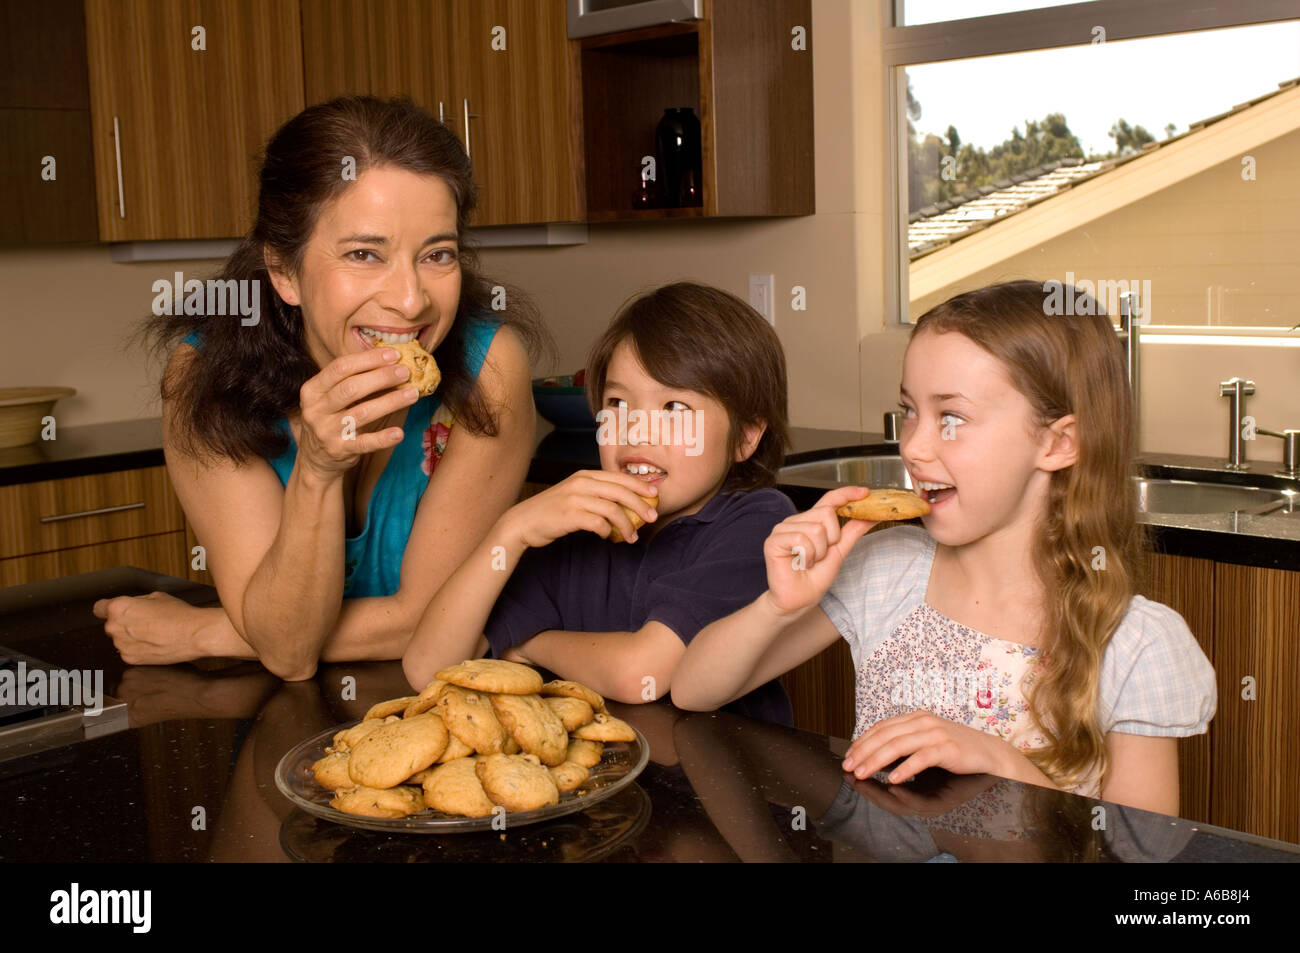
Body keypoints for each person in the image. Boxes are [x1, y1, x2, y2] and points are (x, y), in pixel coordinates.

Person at [671, 279, 1217, 814]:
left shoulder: (1140, 645)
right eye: (910, 410)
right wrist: (778, 606)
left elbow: (1141, 869)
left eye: (951, 417)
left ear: (1058, 442)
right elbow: (694, 692)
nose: (913, 445)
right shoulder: (887, 571)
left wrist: (1002, 765)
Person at [95, 97, 548, 680]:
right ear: (284, 272)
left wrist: (202, 631)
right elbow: (287, 651)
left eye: (437, 254)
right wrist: (317, 469)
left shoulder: (489, 372)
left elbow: (427, 619)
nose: (411, 301)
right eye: (364, 254)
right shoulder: (203, 380)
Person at [403, 281, 797, 723]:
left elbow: (640, 674)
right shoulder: (576, 524)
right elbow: (427, 667)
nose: (636, 431)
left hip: (718, 783)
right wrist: (511, 532)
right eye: (617, 403)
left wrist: (530, 644)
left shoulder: (759, 524)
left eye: (676, 409)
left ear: (746, 437)